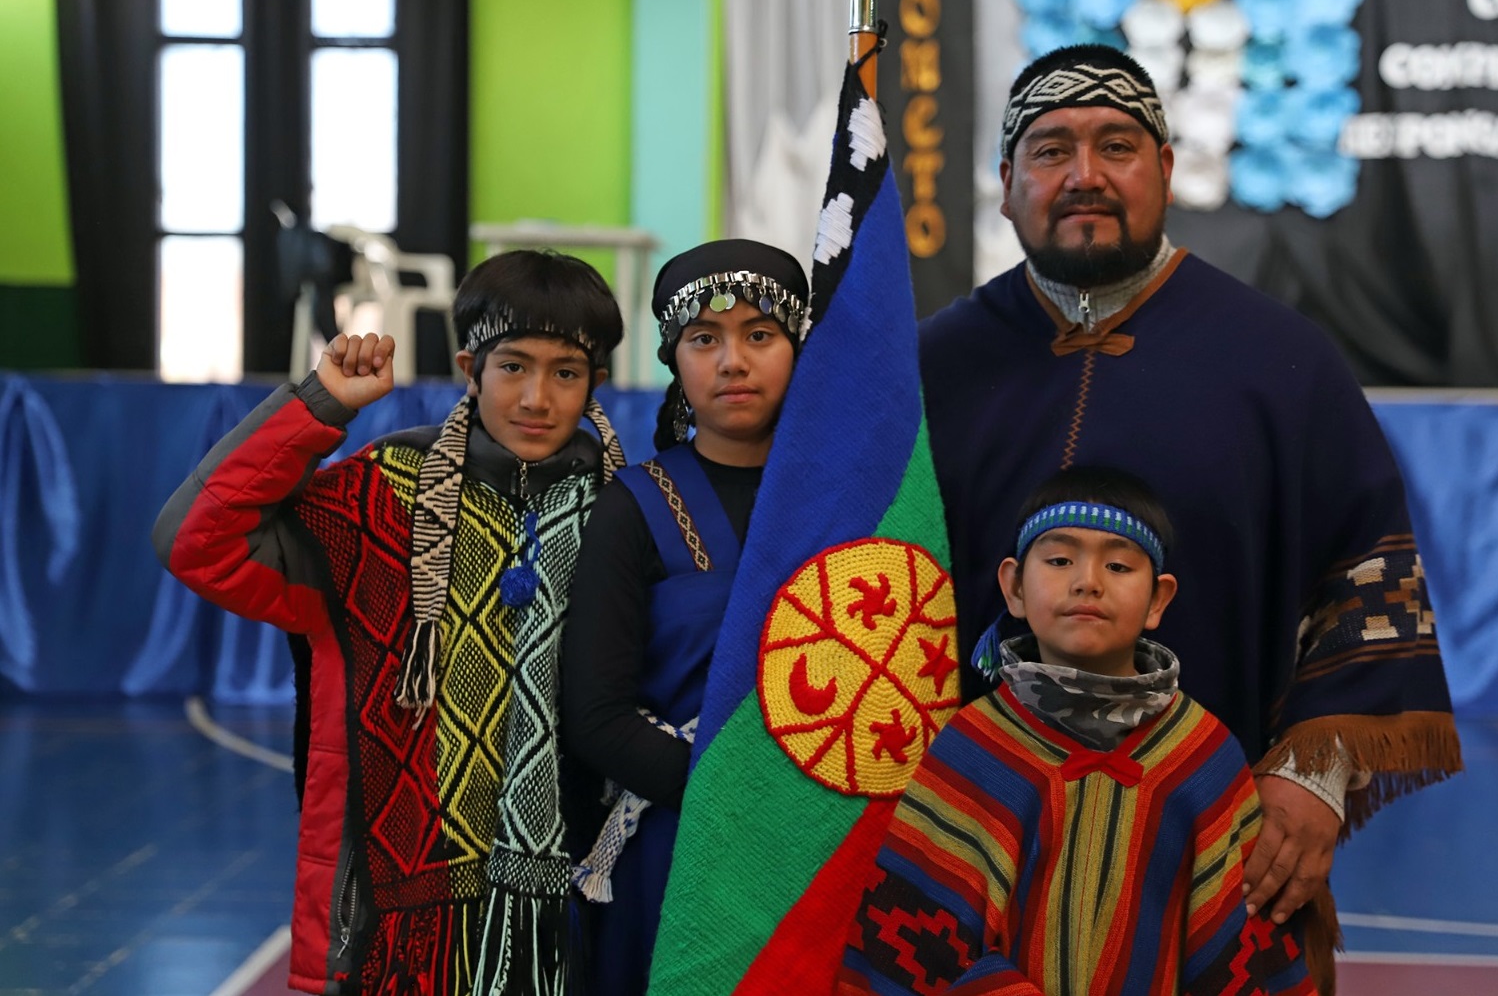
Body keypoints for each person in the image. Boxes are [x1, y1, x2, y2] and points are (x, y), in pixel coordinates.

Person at [919, 43, 1460, 932]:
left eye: (1116, 146)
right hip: (974, 857)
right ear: (1006, 179)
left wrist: (1310, 780)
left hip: (1217, 858)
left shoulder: (1280, 363)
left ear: (1166, 171)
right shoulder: (929, 371)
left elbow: (1362, 580)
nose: (1084, 175)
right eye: (1051, 150)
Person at [153, 250, 625, 996]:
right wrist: (319, 404)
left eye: (565, 371)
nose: (537, 396)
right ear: (470, 365)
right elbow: (199, 542)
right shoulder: (379, 494)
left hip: (572, 897)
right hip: (399, 921)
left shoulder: (624, 515)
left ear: (595, 381)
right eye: (513, 367)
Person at [839, 467, 1328, 996]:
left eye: (1118, 565)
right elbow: (916, 950)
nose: (1087, 581)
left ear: (1158, 600)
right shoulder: (974, 750)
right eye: (1058, 560)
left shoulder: (1203, 759)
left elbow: (1240, 956)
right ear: (1014, 587)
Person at [559, 238, 809, 996]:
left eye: (758, 335)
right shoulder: (633, 506)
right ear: (675, 358)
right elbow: (596, 714)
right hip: (680, 844)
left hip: (822, 841)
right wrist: (738, 795)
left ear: (796, 346)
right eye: (705, 338)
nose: (732, 361)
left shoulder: (847, 503)